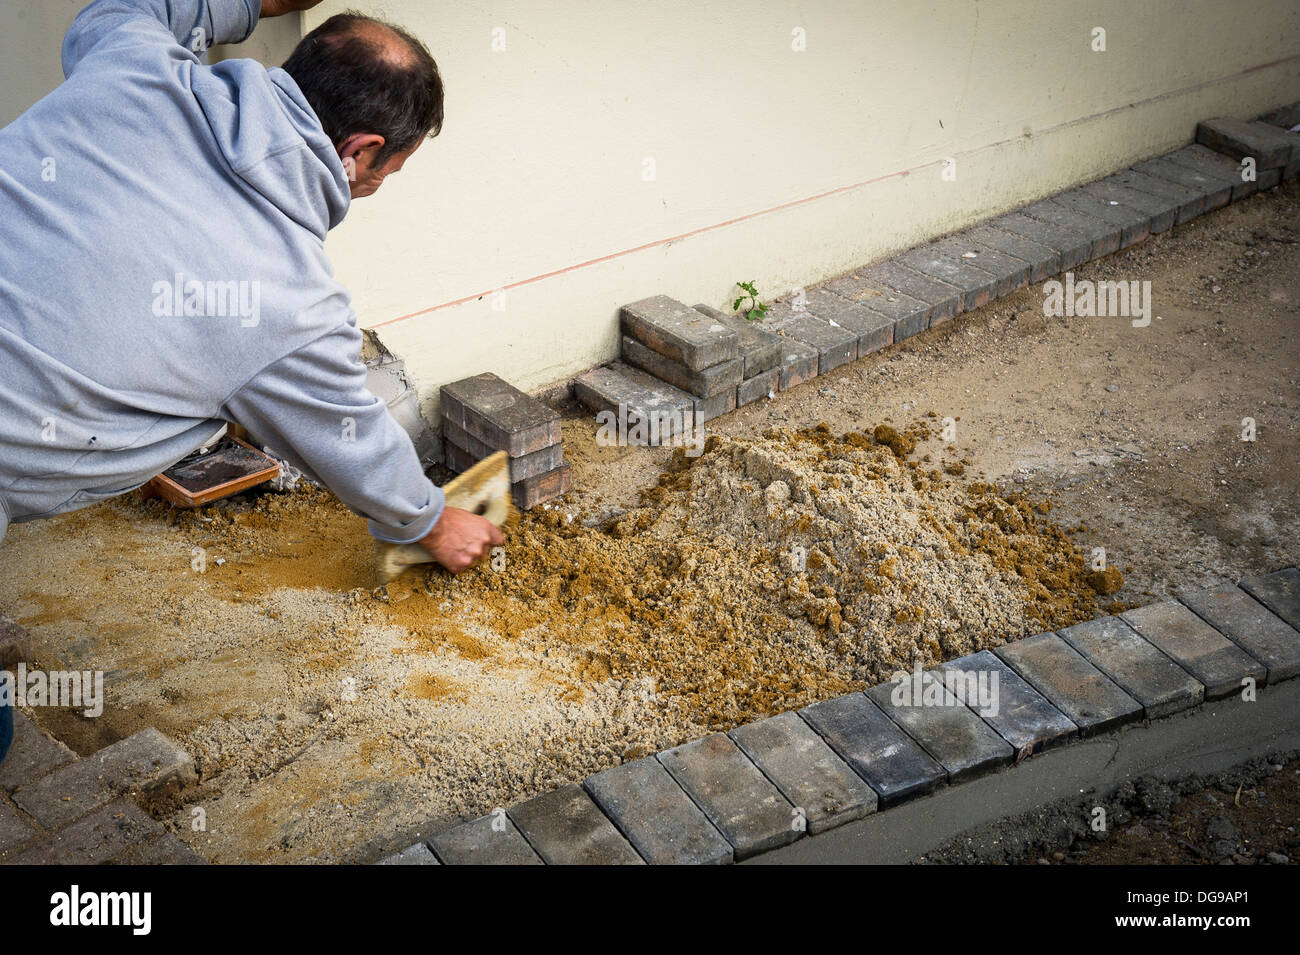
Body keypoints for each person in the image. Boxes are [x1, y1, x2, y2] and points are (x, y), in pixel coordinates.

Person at [0, 0, 504, 762]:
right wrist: (432, 523)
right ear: (360, 151)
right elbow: (352, 435)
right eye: (388, 173)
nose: (377, 187)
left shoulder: (137, 64)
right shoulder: (284, 295)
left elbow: (125, 7)